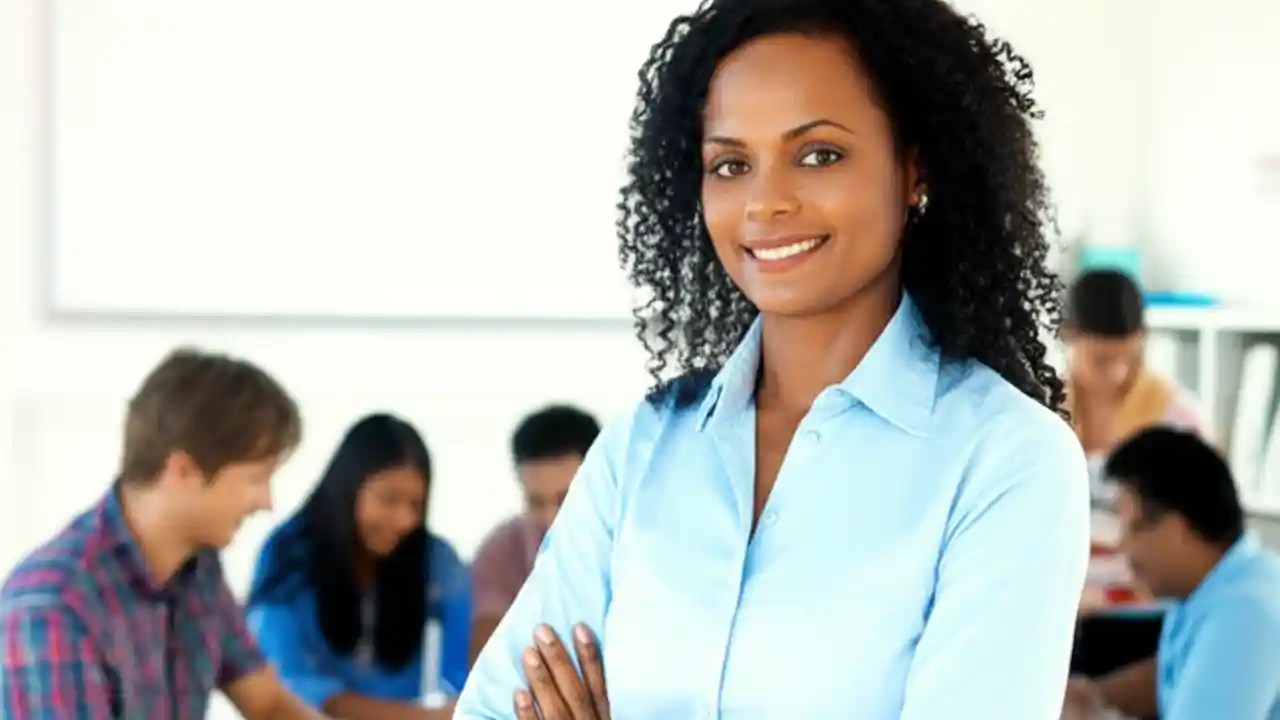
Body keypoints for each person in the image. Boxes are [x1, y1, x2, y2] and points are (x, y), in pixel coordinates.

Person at [458, 0, 1089, 717]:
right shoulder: (643, 448)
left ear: (914, 167)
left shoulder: (1008, 461)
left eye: (819, 154)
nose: (765, 203)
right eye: (731, 164)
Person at [0, 348, 322, 719]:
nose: (267, 502)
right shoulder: (53, 604)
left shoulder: (199, 567)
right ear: (183, 470)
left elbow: (268, 703)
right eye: (255, 479)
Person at [246, 413, 470, 720]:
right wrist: (416, 717)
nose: (405, 521)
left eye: (416, 505)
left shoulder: (435, 559)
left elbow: (462, 675)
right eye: (389, 500)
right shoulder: (287, 555)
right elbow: (284, 686)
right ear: (348, 488)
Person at [1062, 429, 1280, 720]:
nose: (1122, 546)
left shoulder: (1245, 613)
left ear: (1174, 527)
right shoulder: (1217, 586)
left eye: (1131, 527)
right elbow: (1175, 674)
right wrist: (1093, 695)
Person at [469, 405, 600, 665]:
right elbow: (486, 662)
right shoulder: (502, 550)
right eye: (536, 503)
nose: (551, 520)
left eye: (566, 500)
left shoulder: (642, 545)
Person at [1063, 269, 1204, 486]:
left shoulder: (1177, 416)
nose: (1118, 374)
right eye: (1101, 361)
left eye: (1130, 358)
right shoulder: (1043, 408)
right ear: (1067, 337)